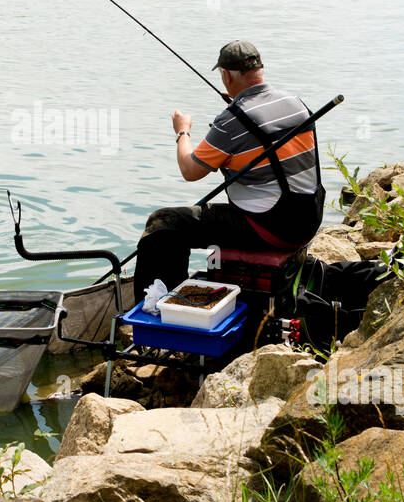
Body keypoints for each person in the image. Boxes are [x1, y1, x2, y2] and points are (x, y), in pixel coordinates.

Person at [132, 40, 325, 304]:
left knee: (163, 224)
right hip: (308, 220)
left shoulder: (231, 121)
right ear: (260, 69)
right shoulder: (296, 104)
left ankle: (156, 306)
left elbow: (190, 170)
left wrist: (182, 131)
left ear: (225, 75)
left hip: (268, 227)